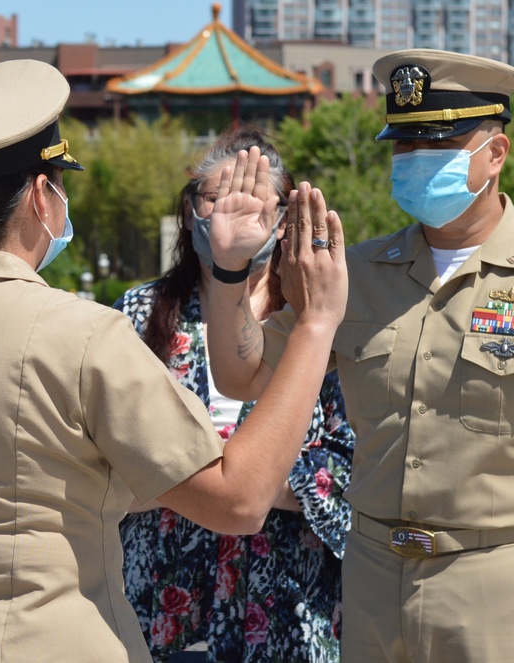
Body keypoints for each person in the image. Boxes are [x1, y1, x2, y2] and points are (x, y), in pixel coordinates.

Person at [0, 59, 348, 663]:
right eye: (58, 184)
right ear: (42, 196)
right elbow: (239, 500)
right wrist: (316, 323)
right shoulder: (87, 336)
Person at [205, 49, 514, 663]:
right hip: (371, 583)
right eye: (404, 148)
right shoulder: (356, 274)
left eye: (439, 146)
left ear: (496, 155)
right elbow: (242, 377)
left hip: (500, 590)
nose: (415, 163)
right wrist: (230, 268)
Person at [116, 128, 354, 662]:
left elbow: (353, 462)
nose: (233, 215)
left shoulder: (319, 316)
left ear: (285, 216)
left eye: (253, 200)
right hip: (160, 600)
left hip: (292, 605)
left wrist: (234, 478)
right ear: (188, 211)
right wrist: (227, 480)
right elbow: (108, 454)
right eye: (215, 200)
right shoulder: (141, 312)